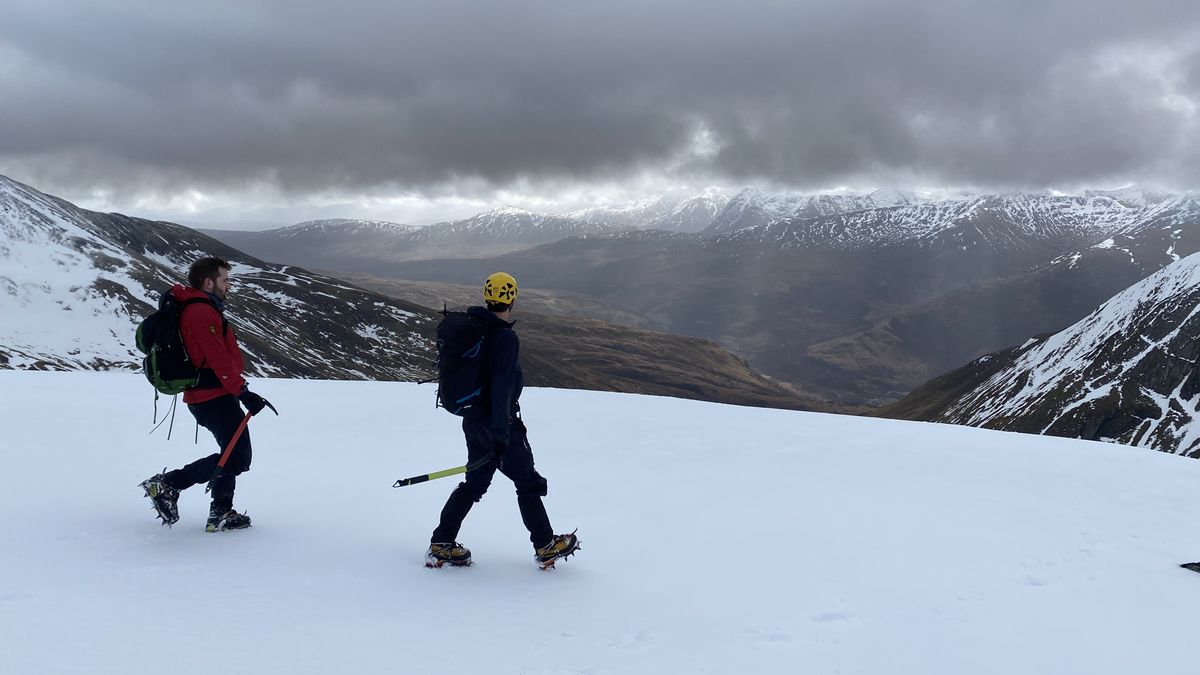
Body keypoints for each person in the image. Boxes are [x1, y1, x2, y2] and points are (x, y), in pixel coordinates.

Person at [427, 272, 580, 569]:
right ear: (512, 299)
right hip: (499, 424)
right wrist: (501, 434)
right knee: (527, 482)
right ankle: (545, 546)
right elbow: (501, 387)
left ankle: (441, 542)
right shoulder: (504, 337)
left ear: (487, 296)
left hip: (473, 419)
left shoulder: (477, 328)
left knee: (474, 483)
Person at [140, 257, 275, 532]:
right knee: (237, 457)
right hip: (212, 396)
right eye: (225, 280)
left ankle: (220, 512)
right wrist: (243, 393)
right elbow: (217, 359)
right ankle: (169, 483)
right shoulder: (200, 312)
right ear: (209, 282)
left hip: (212, 394)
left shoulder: (199, 308)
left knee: (231, 453)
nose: (229, 286)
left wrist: (237, 391)